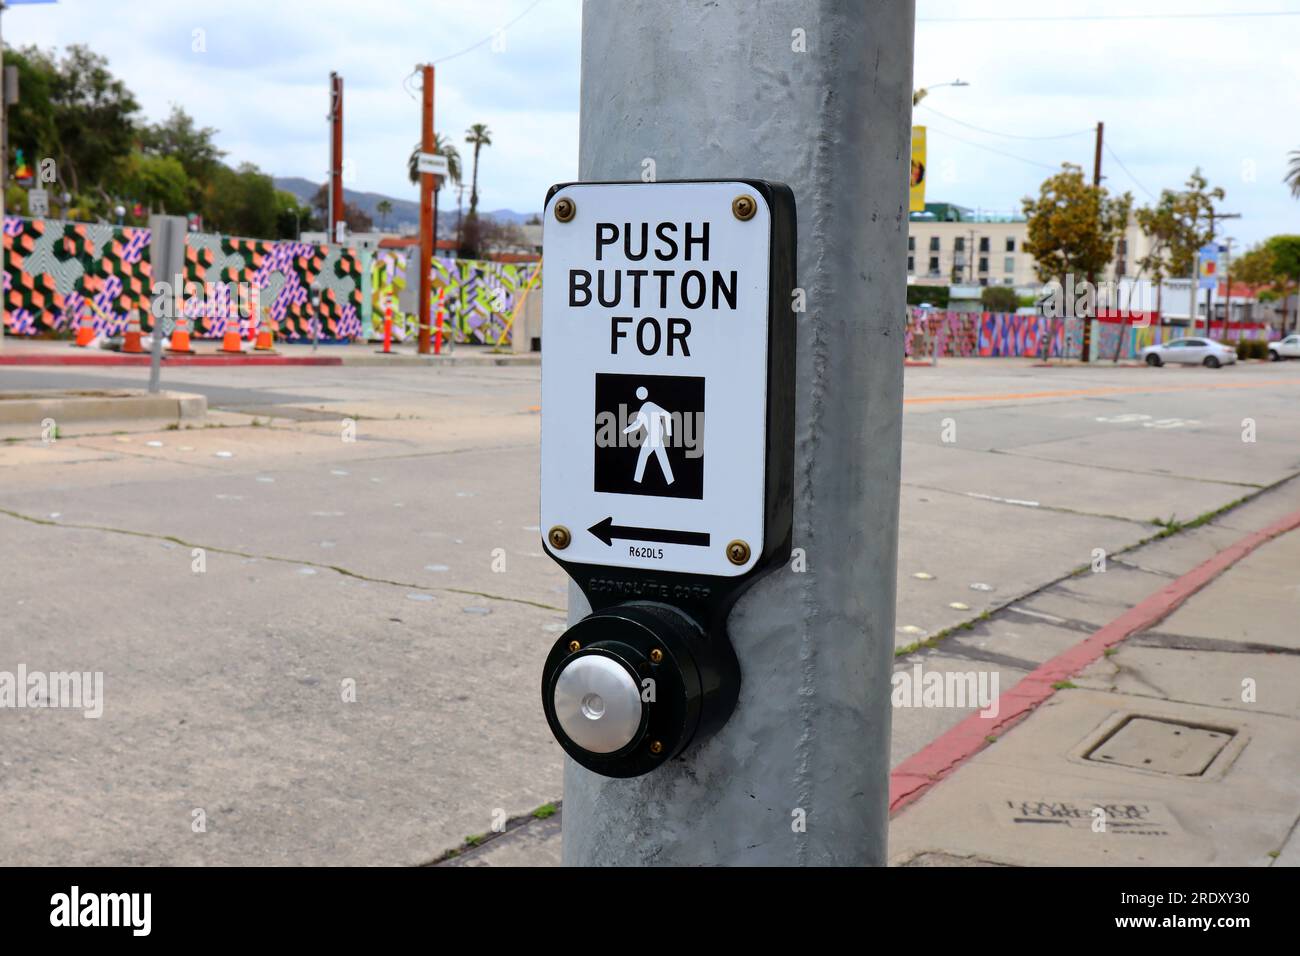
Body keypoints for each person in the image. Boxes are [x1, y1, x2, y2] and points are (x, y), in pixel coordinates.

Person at [623, 386, 674, 485]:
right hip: (656, 435)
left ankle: (636, 482)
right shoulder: (646, 407)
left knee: (643, 456)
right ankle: (670, 480)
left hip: (655, 435)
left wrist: (669, 434)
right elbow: (638, 424)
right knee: (662, 456)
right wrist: (626, 430)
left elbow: (667, 415)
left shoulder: (647, 406)